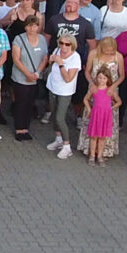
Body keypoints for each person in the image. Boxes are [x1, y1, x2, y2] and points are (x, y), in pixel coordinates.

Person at [44, 30, 83, 160]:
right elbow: (50, 65)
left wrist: (60, 63)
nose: (64, 47)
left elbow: (68, 78)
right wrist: (52, 60)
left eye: (67, 44)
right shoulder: (56, 51)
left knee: (60, 118)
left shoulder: (75, 57)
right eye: (61, 43)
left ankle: (67, 146)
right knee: (54, 116)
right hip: (52, 87)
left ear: (72, 45)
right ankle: (58, 138)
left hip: (65, 91)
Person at [81, 66, 118, 166]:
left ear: (108, 79)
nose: (101, 80)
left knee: (102, 137)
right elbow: (85, 99)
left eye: (104, 78)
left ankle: (100, 156)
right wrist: (89, 109)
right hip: (96, 115)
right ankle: (92, 155)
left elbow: (119, 102)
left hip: (106, 116)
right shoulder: (94, 89)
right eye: (100, 77)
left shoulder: (110, 90)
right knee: (93, 137)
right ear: (97, 78)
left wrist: (111, 108)